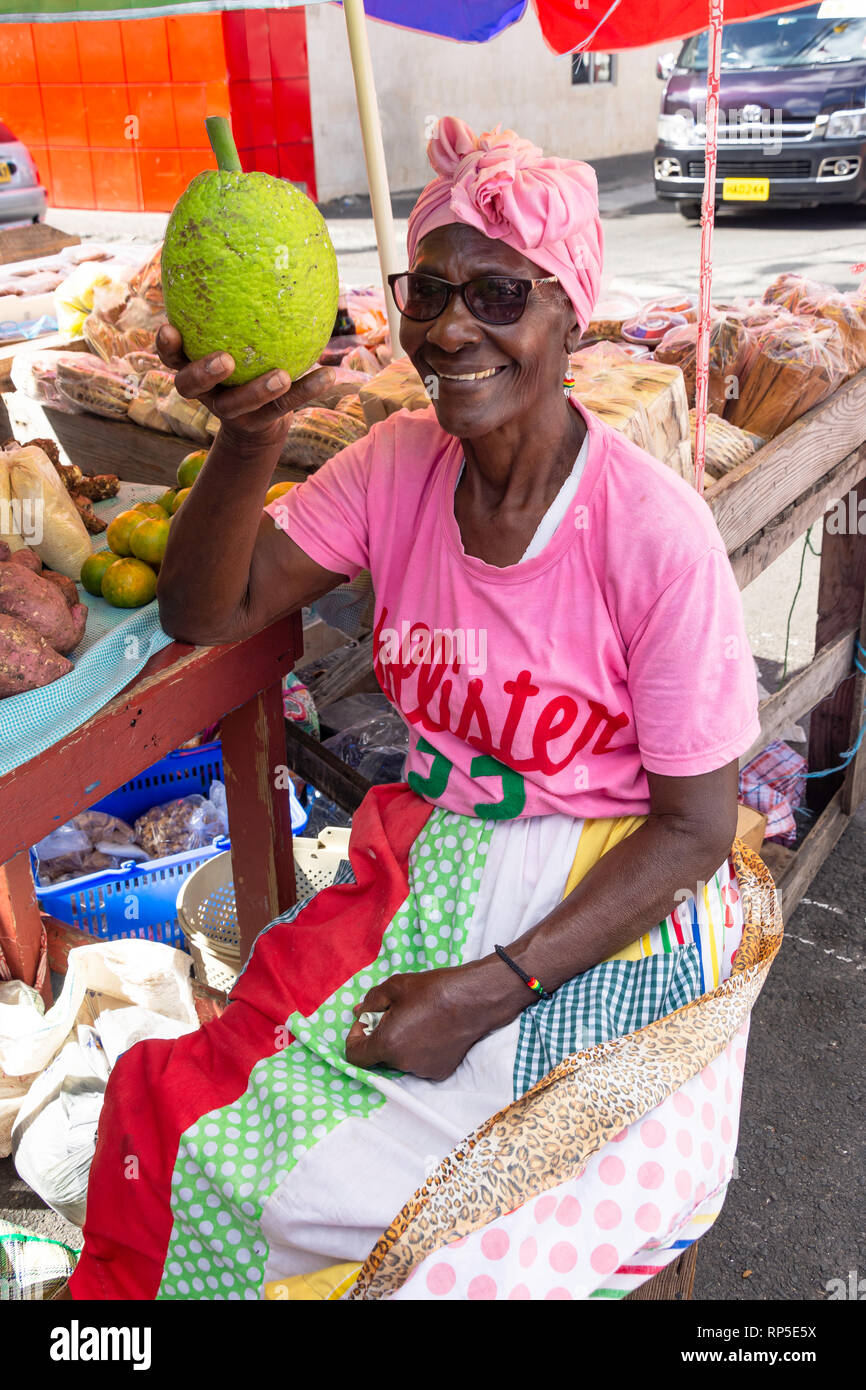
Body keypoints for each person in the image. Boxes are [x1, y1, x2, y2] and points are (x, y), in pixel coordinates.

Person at [70, 118, 776, 1303]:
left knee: (493, 1229)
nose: (451, 327)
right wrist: (252, 434)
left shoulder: (651, 531)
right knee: (203, 1137)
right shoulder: (397, 465)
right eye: (430, 289)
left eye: (498, 292)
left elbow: (695, 825)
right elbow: (209, 606)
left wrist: (488, 987)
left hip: (610, 899)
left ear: (569, 315)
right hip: (426, 871)